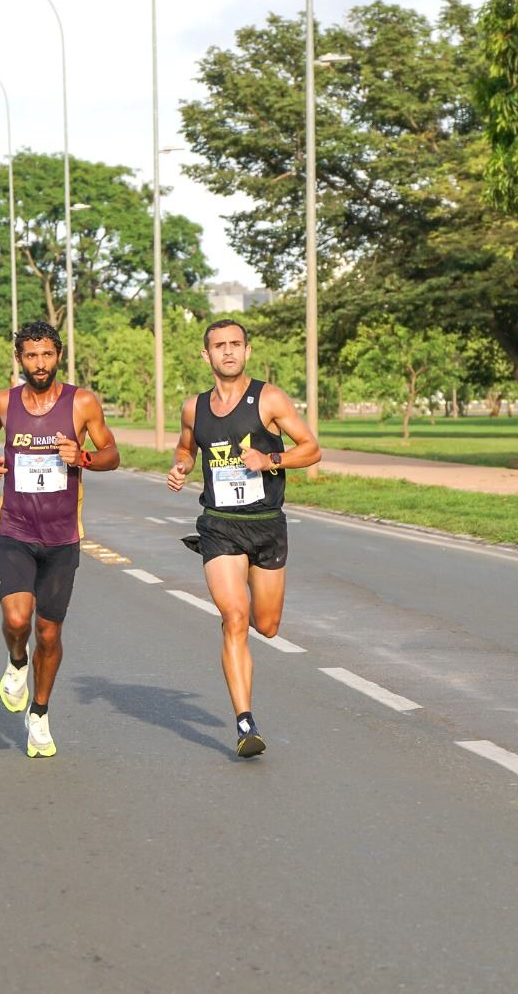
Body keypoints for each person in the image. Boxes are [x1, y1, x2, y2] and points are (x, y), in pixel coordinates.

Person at [167, 319, 321, 758]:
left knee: (266, 626)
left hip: (267, 523)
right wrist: (180, 465)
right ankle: (245, 723)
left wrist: (270, 458)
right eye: (219, 346)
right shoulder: (193, 408)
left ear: (247, 351)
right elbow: (185, 447)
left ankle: (248, 605)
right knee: (234, 617)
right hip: (219, 525)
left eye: (236, 344)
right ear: (206, 355)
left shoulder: (268, 398)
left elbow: (310, 448)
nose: (228, 352)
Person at [0, 320, 120, 758]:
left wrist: (85, 456)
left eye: (47, 355)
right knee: (18, 622)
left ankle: (39, 713)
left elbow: (112, 454)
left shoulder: (83, 403)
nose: (39, 364)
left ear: (58, 356)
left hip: (61, 538)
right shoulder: (5, 401)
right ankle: (17, 662)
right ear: (19, 358)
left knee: (49, 632)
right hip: (14, 529)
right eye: (31, 356)